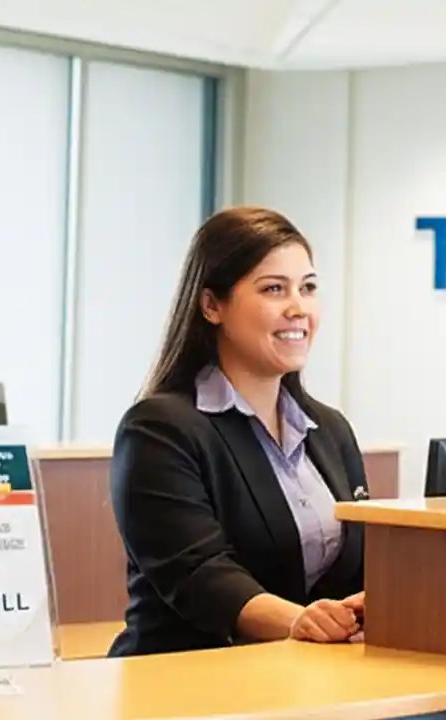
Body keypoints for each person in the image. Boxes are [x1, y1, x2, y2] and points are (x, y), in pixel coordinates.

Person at [107, 206, 367, 657]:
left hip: (310, 680)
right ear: (211, 306)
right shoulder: (160, 428)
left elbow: (357, 566)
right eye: (273, 289)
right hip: (188, 680)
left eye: (307, 288)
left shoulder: (330, 430)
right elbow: (199, 573)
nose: (298, 308)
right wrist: (301, 622)